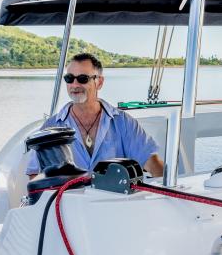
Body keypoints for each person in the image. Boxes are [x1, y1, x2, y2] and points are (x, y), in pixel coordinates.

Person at [28, 53, 166, 178]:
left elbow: (151, 162)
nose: (74, 84)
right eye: (69, 78)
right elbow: (35, 175)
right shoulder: (50, 127)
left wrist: (166, 194)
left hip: (115, 202)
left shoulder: (124, 122)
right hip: (68, 204)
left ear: (99, 82)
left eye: (83, 78)